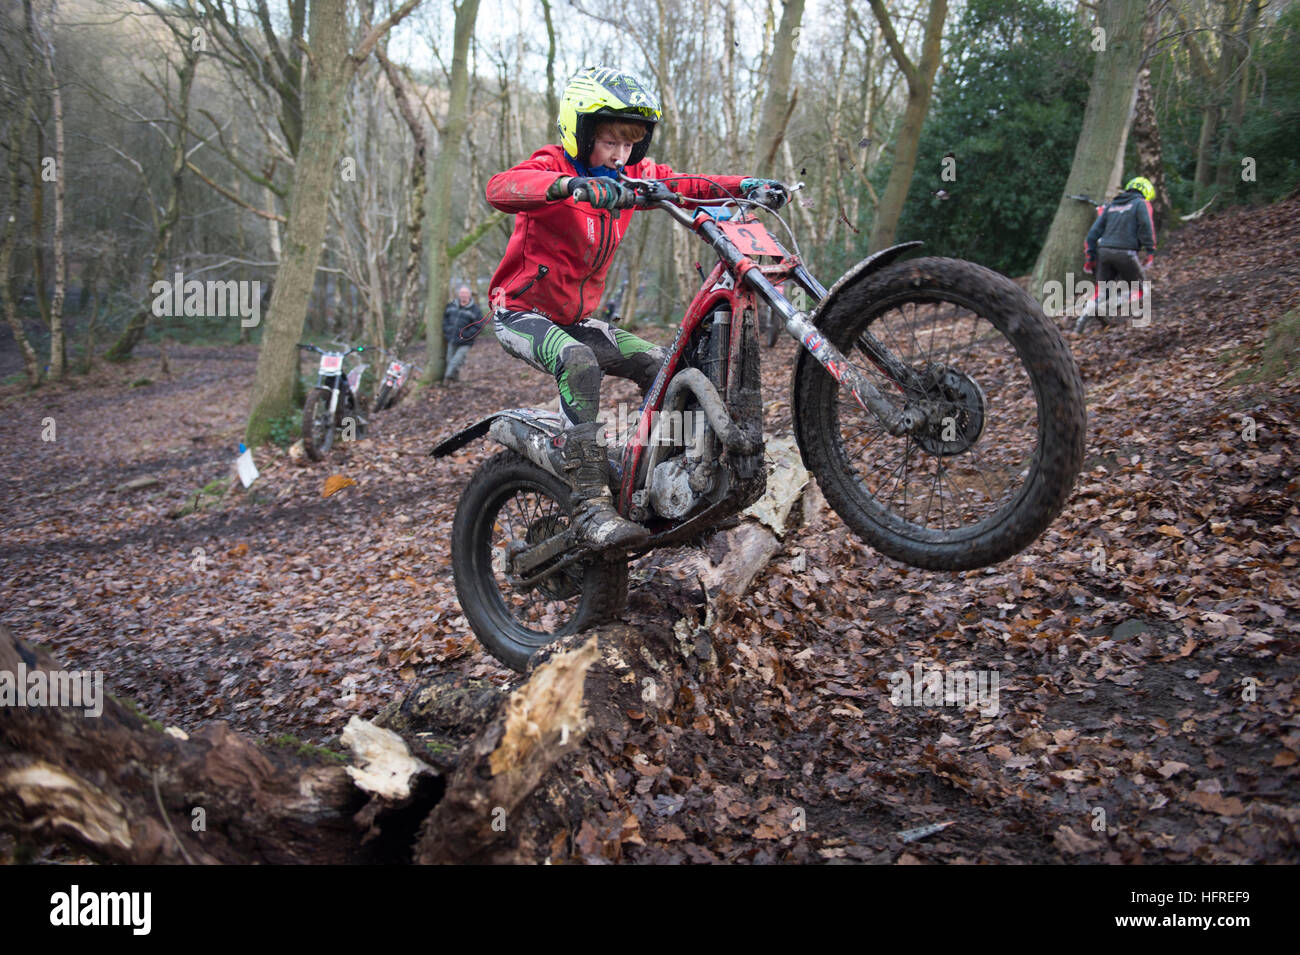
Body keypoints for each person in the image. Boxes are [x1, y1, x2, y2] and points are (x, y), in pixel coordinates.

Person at [485, 65, 785, 550]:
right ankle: (588, 505)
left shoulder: (629, 177)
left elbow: (691, 184)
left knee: (665, 367)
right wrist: (569, 188)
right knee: (577, 363)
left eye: (630, 144)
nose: (620, 154)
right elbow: (501, 187)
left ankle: (674, 482)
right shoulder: (553, 167)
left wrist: (746, 186)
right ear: (579, 132)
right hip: (519, 312)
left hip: (575, 319)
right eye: (609, 142)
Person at [1077, 176, 1157, 334]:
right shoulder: (1140, 203)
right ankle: (1106, 307)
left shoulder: (1112, 205)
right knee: (1141, 289)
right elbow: (1146, 227)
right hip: (1126, 252)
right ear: (1146, 192)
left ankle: (1082, 321)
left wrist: (1091, 257)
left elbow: (1092, 234)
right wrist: (1150, 250)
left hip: (1104, 252)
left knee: (1101, 290)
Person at [442, 285, 482, 380]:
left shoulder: (475, 310)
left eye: (466, 293)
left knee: (456, 361)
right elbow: (445, 319)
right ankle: (454, 381)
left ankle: (447, 377)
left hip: (466, 342)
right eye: (462, 293)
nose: (463, 295)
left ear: (469, 295)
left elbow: (479, 326)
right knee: (449, 360)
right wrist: (447, 330)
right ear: (459, 294)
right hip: (451, 338)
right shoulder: (451, 305)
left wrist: (466, 335)